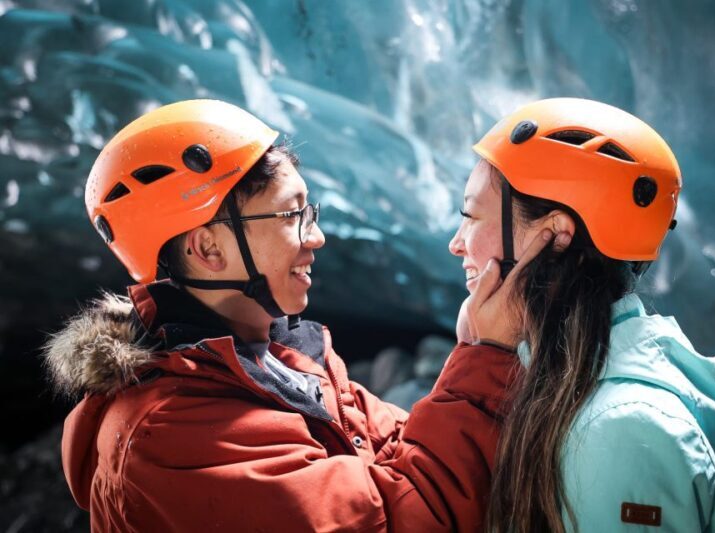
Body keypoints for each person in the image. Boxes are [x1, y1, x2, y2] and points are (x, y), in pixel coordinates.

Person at [43, 99, 552, 532]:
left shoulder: (279, 359)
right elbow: (406, 517)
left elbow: (407, 453)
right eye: (292, 215)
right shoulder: (171, 435)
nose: (316, 237)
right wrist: (486, 355)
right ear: (208, 248)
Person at [449, 98, 715, 532]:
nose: (456, 243)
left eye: (470, 215)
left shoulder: (625, 432)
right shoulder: (559, 388)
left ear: (554, 236)